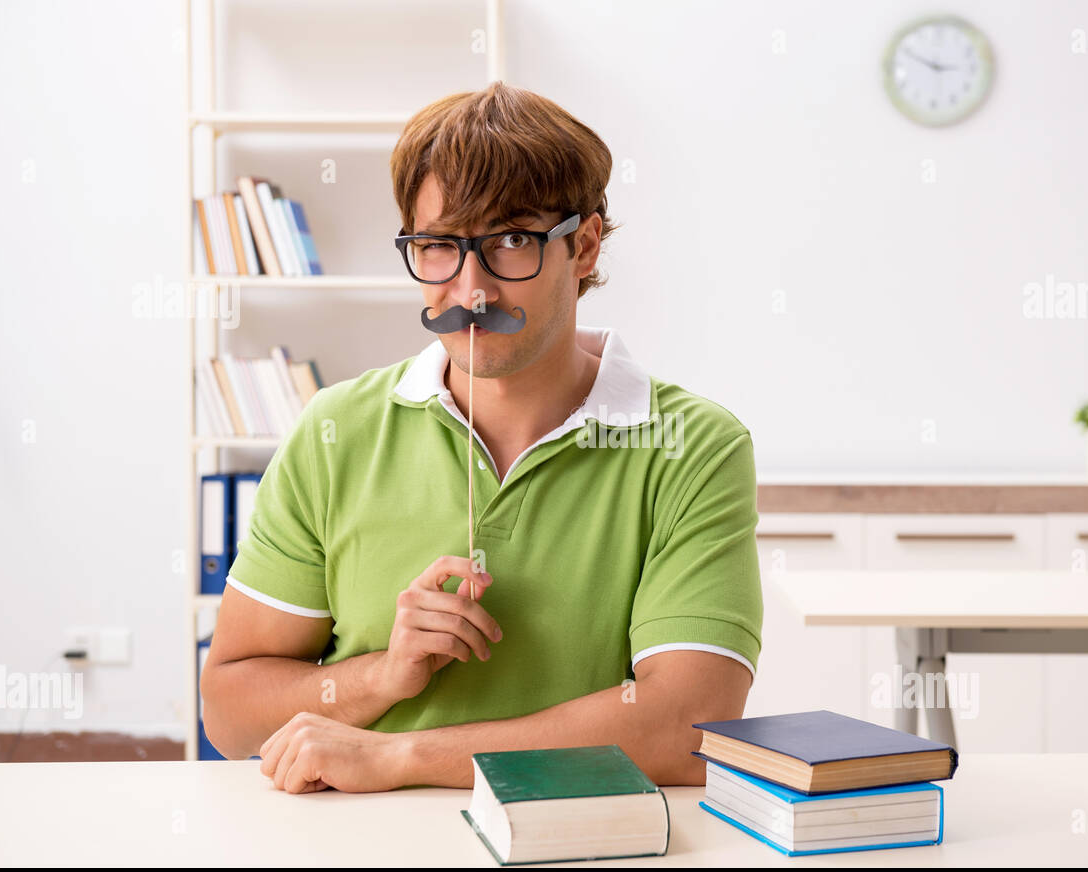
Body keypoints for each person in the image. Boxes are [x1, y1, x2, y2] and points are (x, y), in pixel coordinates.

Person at [201, 82, 763, 794]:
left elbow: (688, 724)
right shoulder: (335, 432)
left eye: (510, 242)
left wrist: (401, 756)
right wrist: (380, 676)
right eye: (438, 246)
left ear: (584, 247)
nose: (471, 289)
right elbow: (230, 710)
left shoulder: (693, 445)